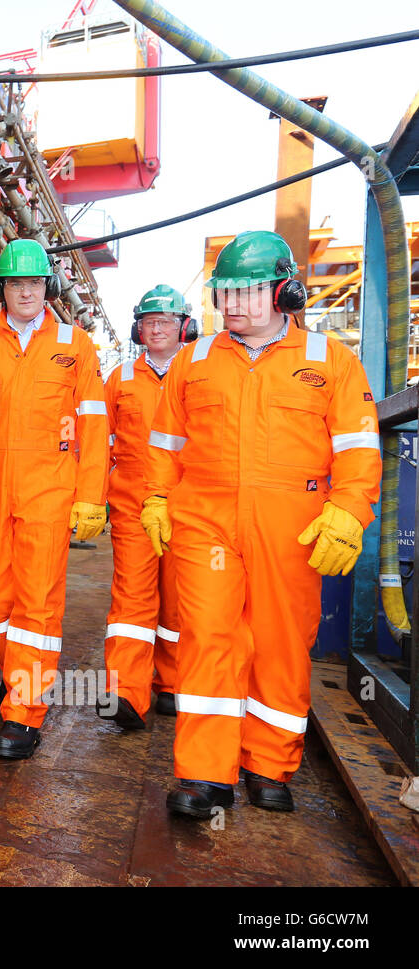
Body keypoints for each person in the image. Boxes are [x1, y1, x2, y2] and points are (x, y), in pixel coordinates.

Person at [142, 230, 381, 816]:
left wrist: (349, 511)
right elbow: (165, 446)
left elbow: (356, 446)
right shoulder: (193, 362)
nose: (233, 305)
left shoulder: (331, 361)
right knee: (206, 640)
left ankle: (268, 763)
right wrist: (154, 498)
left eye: (248, 292)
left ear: (284, 291)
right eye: (225, 293)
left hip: (292, 527)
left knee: (281, 644)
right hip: (205, 521)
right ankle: (204, 774)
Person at [0, 239, 109, 759]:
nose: (26, 292)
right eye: (16, 284)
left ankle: (24, 712)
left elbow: (95, 423)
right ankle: (18, 671)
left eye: (34, 283)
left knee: (37, 601)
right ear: (1, 291)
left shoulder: (74, 343)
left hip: (49, 488)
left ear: (48, 287)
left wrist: (90, 495)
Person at [99, 285, 194, 730]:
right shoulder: (120, 378)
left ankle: (172, 683)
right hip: (132, 505)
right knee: (132, 598)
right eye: (150, 322)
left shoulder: (200, 371)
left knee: (178, 602)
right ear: (139, 328)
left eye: (166, 322)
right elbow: (101, 442)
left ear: (183, 327)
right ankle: (127, 693)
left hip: (188, 505)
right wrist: (94, 498)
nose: (157, 329)